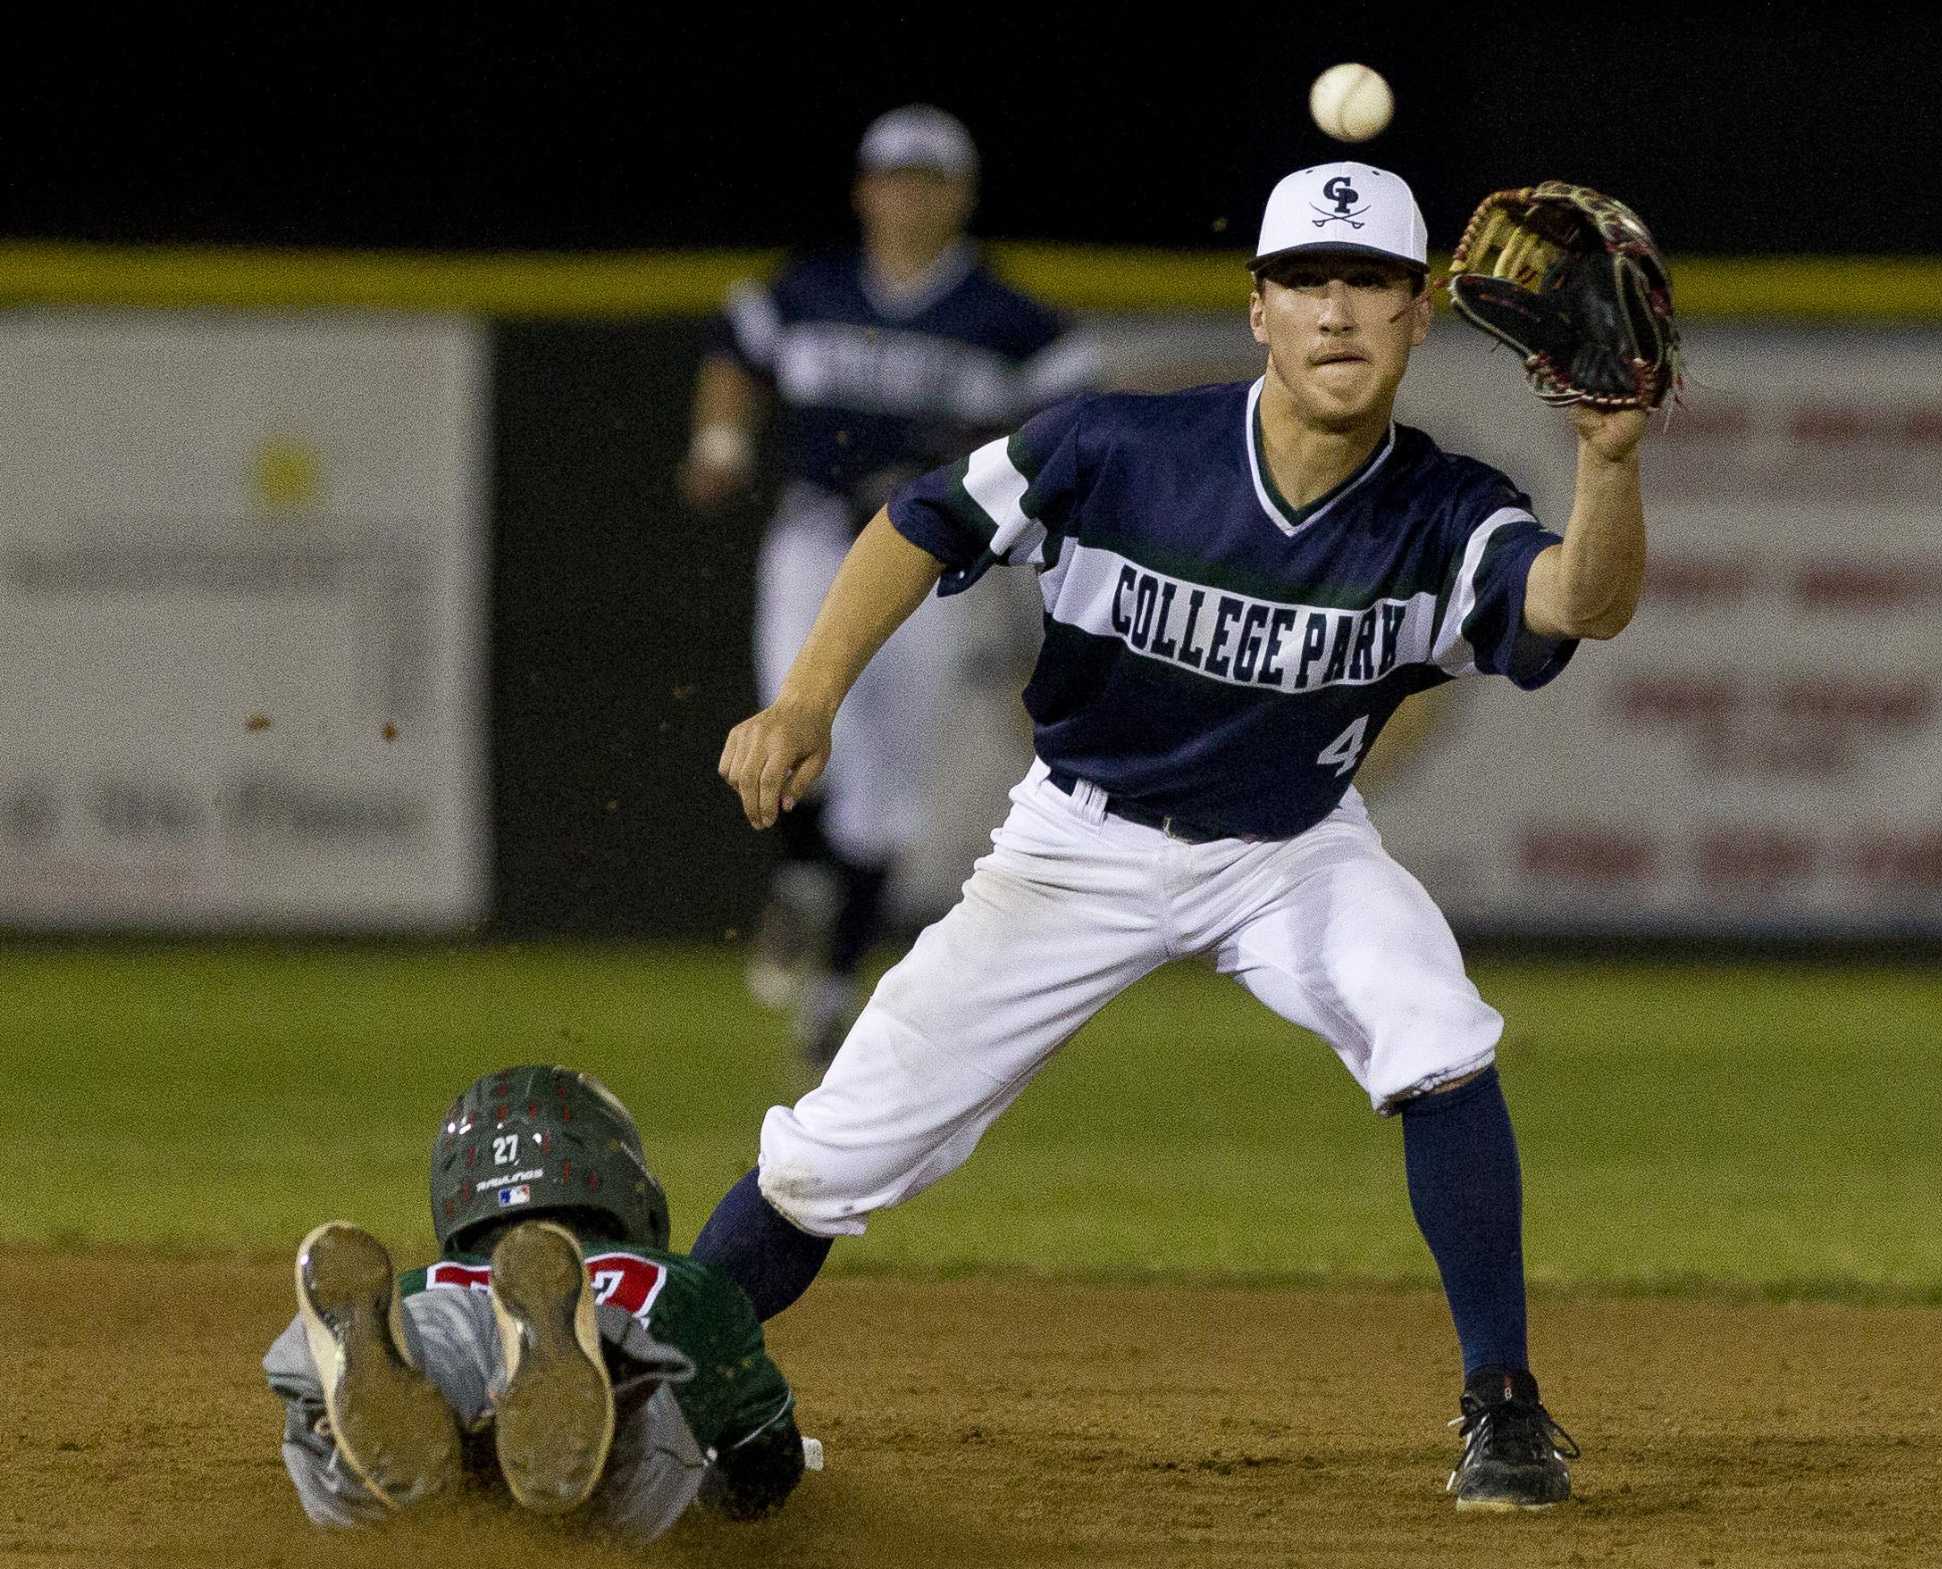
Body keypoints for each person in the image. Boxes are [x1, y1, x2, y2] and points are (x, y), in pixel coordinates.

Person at [694, 159, 1642, 1512]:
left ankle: (1505, 1403)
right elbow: (924, 521)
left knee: (1433, 1024)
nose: (1336, 312)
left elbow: (1571, 604)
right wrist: (807, 694)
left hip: (1289, 848)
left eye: (1368, 282)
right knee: (834, 1148)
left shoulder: (1443, 509)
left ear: (1418, 315)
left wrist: (1609, 466)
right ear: (1257, 308)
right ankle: (644, 1358)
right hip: (1075, 844)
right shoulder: (1118, 448)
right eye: (1306, 281)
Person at [678, 103, 1100, 1068]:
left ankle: (831, 984)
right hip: (817, 536)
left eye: (929, 181)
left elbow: (1070, 422)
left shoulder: (1011, 320)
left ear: (961, 196)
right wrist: (718, 440)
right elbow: (736, 348)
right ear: (866, 190)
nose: (909, 199)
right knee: (794, 707)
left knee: (888, 791)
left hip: (939, 558)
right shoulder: (810, 290)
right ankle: (804, 886)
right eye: (894, 179)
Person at [262, 1065, 816, 1541]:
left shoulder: (414, 1286)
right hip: (613, 1404)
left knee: (396, 1369)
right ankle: (584, 1390)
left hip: (435, 1318)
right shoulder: (685, 1282)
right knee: (632, 1402)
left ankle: (406, 1413)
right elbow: (764, 1468)